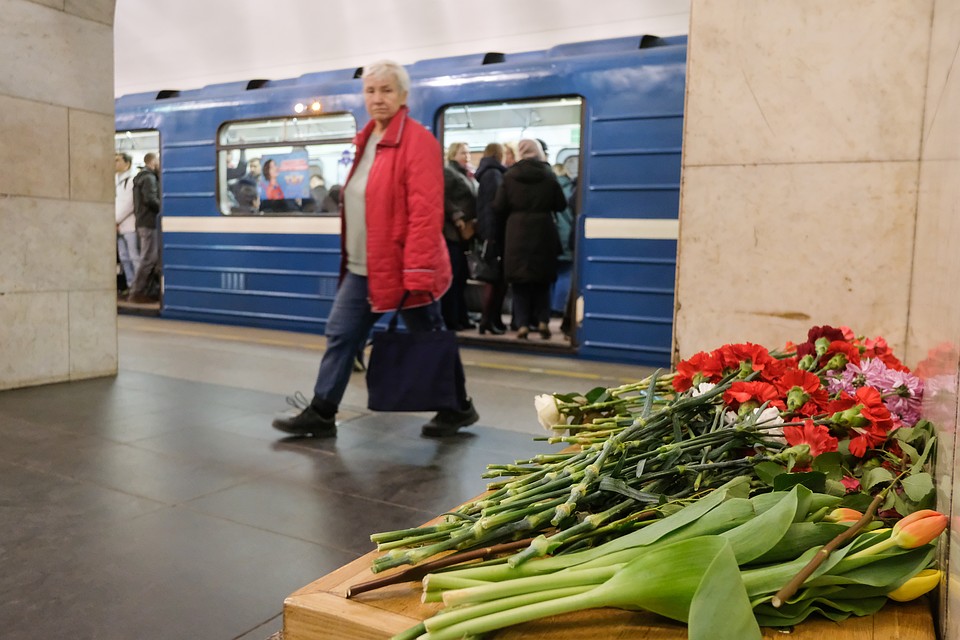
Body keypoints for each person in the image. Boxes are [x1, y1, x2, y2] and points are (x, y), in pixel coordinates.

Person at [271, 60, 479, 439]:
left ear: (402, 95)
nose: (377, 98)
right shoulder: (365, 140)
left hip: (403, 269)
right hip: (363, 265)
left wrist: (417, 271)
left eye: (386, 90)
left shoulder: (418, 142)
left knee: (429, 336)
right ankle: (322, 410)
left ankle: (458, 407)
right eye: (370, 91)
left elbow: (425, 211)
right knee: (341, 333)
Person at [493, 139, 566, 340]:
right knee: (542, 281)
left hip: (517, 232)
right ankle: (543, 321)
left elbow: (498, 206)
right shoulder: (549, 175)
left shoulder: (509, 176)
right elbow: (561, 204)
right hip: (544, 231)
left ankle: (523, 324)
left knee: (520, 282)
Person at [440, 141, 477, 331]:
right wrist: (457, 215)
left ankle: (461, 317)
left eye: (469, 152)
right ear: (454, 154)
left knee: (461, 278)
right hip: (452, 233)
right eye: (463, 152)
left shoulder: (466, 174)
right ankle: (451, 319)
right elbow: (442, 196)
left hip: (464, 235)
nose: (467, 156)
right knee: (454, 278)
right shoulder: (448, 173)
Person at [473, 142, 508, 335]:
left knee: (496, 278)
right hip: (495, 233)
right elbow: (493, 208)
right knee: (495, 279)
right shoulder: (494, 174)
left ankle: (493, 319)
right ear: (499, 154)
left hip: (490, 232)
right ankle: (487, 320)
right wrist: (492, 235)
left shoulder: (488, 173)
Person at [127, 153, 161, 303]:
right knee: (148, 258)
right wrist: (165, 208)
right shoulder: (149, 178)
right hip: (149, 222)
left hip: (143, 221)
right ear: (153, 162)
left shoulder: (141, 177)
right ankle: (137, 292)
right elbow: (150, 199)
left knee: (149, 257)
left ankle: (145, 291)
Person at [114, 152, 140, 294]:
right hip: (118, 226)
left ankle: (139, 286)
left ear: (127, 164)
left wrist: (115, 220)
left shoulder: (131, 180)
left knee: (133, 256)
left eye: (118, 160)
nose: (114, 163)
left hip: (129, 225)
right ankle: (130, 284)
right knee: (124, 257)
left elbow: (129, 204)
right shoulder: (116, 180)